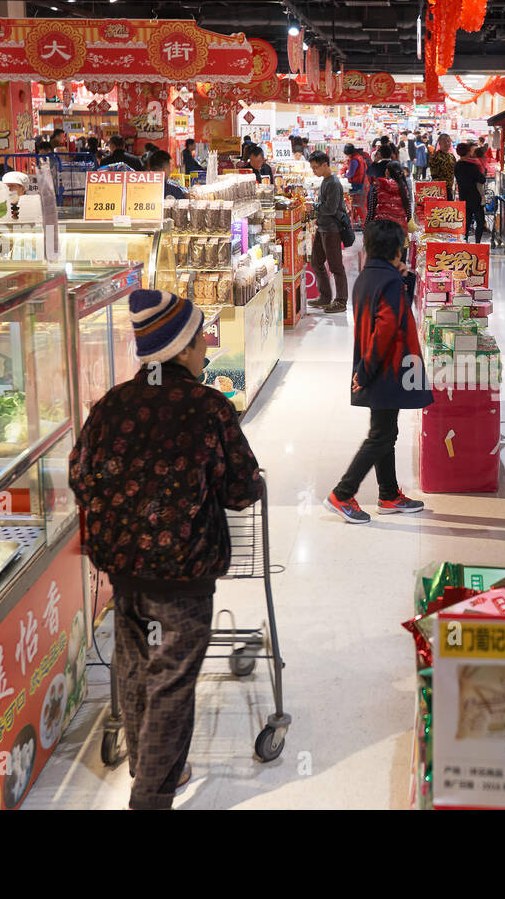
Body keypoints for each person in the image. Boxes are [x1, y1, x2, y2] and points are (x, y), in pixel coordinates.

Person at [69, 288, 263, 810]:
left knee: (135, 667)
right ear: (180, 348)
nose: (206, 349)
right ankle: (150, 796)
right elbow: (242, 491)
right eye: (202, 340)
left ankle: (151, 768)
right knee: (172, 681)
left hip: (124, 570)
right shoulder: (206, 408)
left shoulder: (111, 405)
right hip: (183, 575)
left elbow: (80, 477)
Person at [323, 219, 431, 524]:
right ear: (395, 249)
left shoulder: (369, 277)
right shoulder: (390, 282)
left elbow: (388, 315)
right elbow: (385, 330)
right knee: (381, 435)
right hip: (387, 369)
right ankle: (342, 493)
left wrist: (404, 282)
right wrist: (367, 371)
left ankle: (388, 494)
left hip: (375, 367)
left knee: (386, 432)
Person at [307, 150, 348, 313]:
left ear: (325, 165)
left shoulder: (333, 183)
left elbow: (330, 208)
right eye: (312, 168)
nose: (314, 171)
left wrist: (315, 206)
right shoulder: (325, 180)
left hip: (332, 229)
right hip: (322, 227)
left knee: (336, 265)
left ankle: (341, 300)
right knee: (316, 262)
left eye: (316, 167)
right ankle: (325, 296)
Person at [454, 142, 486, 243]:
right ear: (468, 152)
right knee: (480, 222)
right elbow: (482, 179)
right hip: (475, 197)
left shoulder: (457, 166)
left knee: (466, 222)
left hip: (463, 197)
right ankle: (477, 243)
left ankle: (465, 242)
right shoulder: (472, 166)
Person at [367, 159, 412, 228]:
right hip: (399, 229)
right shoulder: (403, 188)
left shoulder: (378, 186)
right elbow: (408, 213)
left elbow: (371, 211)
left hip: (381, 227)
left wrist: (367, 226)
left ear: (387, 172)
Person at [429, 133, 456, 199]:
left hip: (450, 187)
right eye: (444, 141)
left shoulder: (452, 156)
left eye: (448, 141)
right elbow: (434, 176)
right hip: (440, 189)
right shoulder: (435, 156)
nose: (447, 143)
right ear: (439, 143)